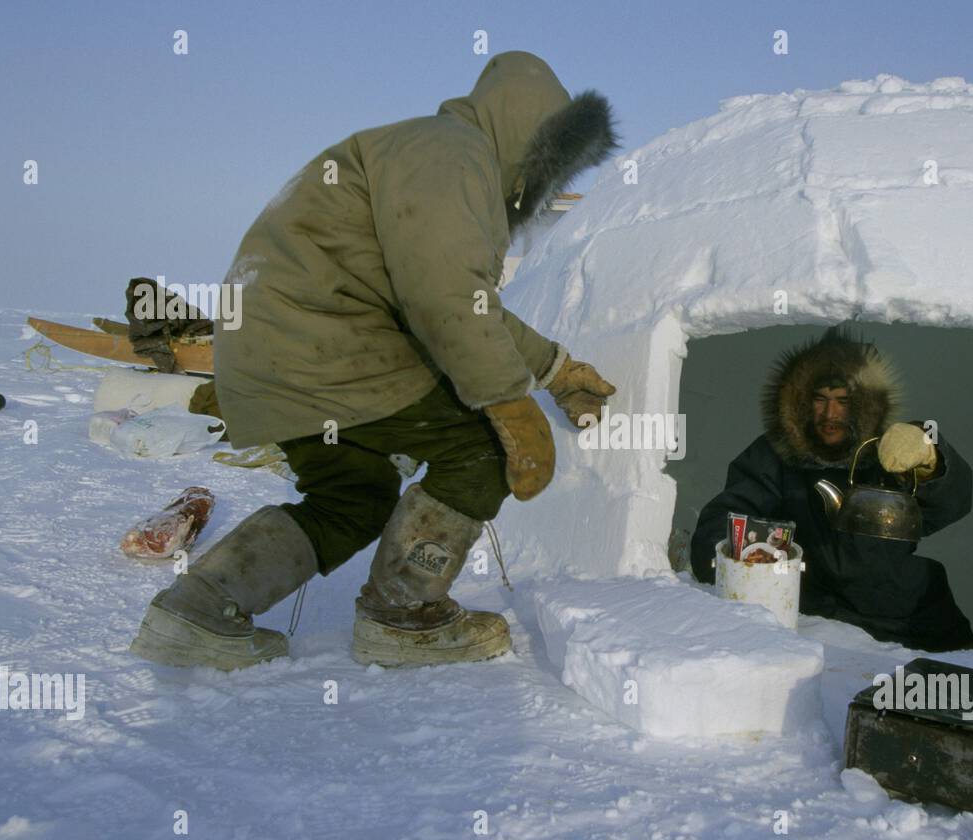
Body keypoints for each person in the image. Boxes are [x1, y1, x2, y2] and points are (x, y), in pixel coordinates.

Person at [132, 51, 619, 670]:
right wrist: (511, 405)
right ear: (533, 138)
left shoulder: (429, 152)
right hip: (329, 344)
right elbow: (443, 295)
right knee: (480, 449)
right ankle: (402, 619)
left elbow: (465, 300)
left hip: (274, 352)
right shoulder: (453, 154)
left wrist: (558, 369)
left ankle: (196, 609)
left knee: (351, 496)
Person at [690, 326, 973, 653]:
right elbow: (719, 529)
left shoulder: (890, 451)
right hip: (813, 617)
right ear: (801, 401)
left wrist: (931, 460)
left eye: (843, 401)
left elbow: (951, 504)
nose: (830, 414)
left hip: (907, 618)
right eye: (820, 400)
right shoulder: (773, 456)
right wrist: (753, 569)